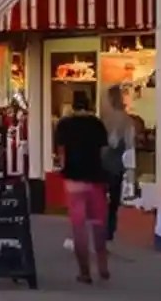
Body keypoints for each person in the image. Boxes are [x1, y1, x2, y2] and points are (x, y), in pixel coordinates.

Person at [54, 90, 110, 284]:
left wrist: (64, 166)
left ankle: (84, 272)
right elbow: (104, 152)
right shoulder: (97, 124)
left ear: (73, 105)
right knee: (98, 224)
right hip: (95, 178)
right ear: (89, 103)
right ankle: (102, 266)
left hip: (73, 179)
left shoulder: (64, 125)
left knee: (79, 227)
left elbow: (61, 152)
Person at [103, 84, 136, 240]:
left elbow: (111, 142)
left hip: (105, 162)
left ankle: (103, 227)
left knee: (102, 197)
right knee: (114, 199)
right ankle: (110, 228)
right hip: (117, 164)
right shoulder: (127, 120)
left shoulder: (106, 119)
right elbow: (130, 145)